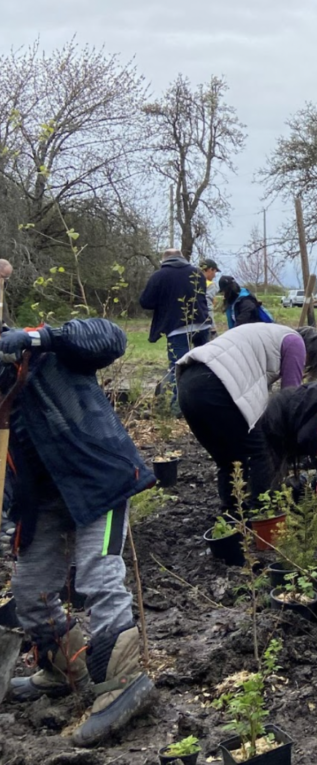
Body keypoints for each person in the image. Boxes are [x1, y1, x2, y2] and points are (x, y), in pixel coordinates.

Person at [1, 319, 154, 746]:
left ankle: (123, 682)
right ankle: (65, 668)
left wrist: (39, 338)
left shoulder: (45, 349)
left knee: (97, 574)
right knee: (31, 592)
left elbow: (113, 338)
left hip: (97, 482)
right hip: (44, 504)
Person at [176, 323, 317, 512]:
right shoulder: (295, 343)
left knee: (230, 459)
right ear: (311, 358)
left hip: (187, 384)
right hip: (218, 383)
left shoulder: (266, 337)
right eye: (307, 370)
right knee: (261, 451)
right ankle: (262, 515)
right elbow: (290, 400)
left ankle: (232, 517)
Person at [139, 248, 211, 412]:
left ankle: (178, 408)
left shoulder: (160, 276)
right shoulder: (197, 273)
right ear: (182, 258)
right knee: (202, 366)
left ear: (164, 261)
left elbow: (146, 301)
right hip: (202, 324)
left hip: (177, 327)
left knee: (179, 368)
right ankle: (203, 404)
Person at [199, 257, 220, 326]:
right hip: (205, 321)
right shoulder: (210, 285)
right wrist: (212, 324)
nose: (214, 275)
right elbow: (208, 305)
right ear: (211, 269)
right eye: (215, 271)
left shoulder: (194, 281)